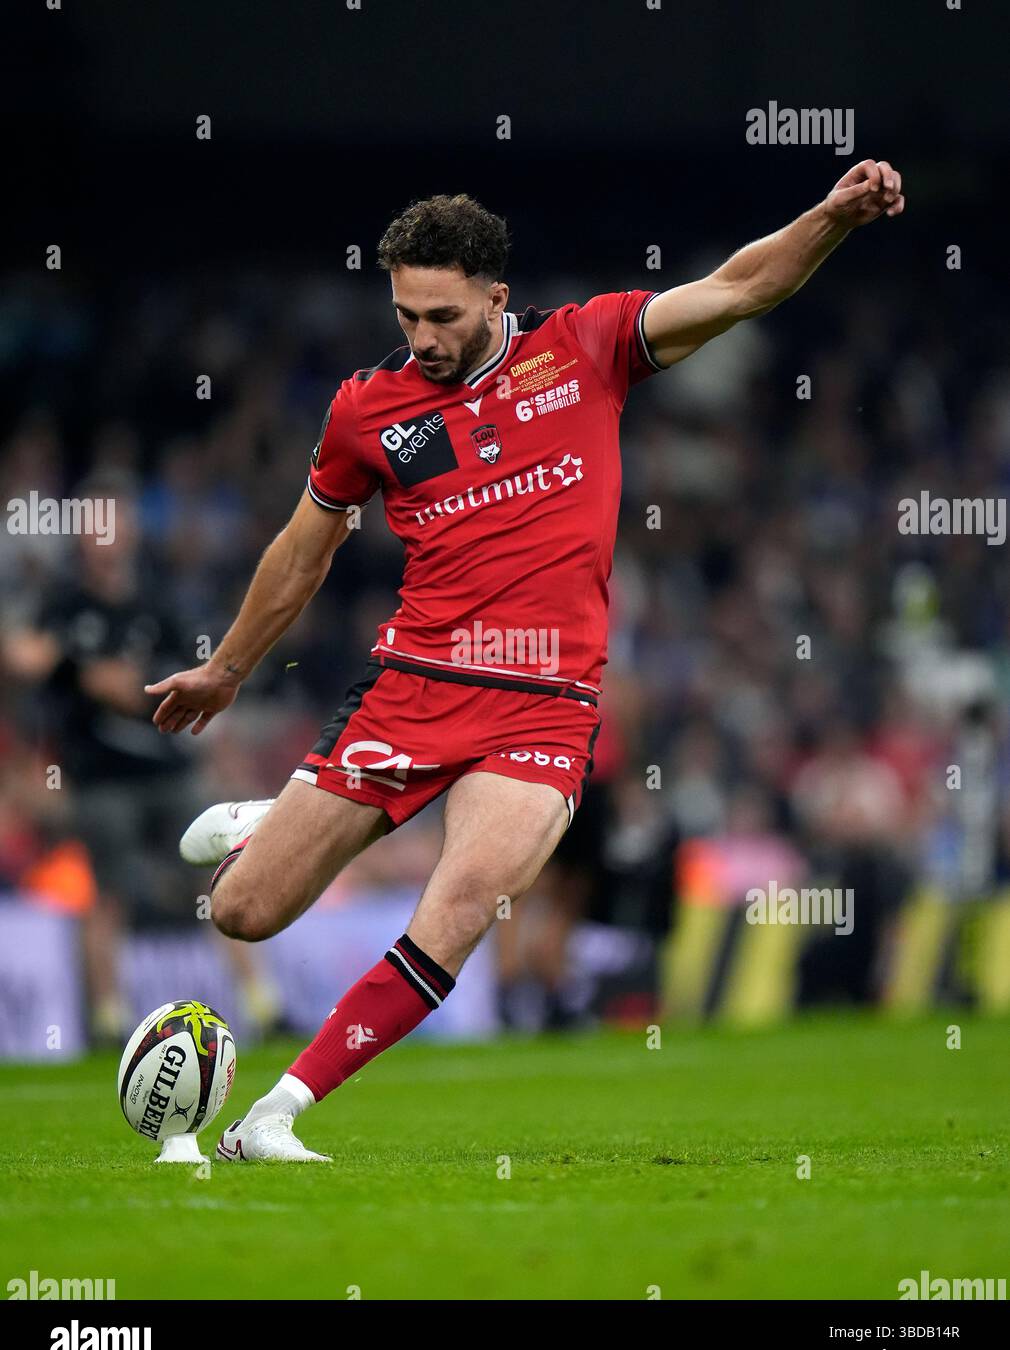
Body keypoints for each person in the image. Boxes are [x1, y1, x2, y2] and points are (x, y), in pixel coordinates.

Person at [145, 163, 905, 1161]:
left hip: (545, 704)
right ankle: (283, 817)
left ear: (495, 298)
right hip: (415, 685)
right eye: (405, 313)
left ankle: (275, 1116)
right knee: (243, 911)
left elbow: (737, 287)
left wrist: (830, 217)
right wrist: (229, 668)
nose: (420, 337)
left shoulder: (583, 347)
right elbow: (302, 548)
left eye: (441, 314)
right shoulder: (367, 410)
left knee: (460, 906)